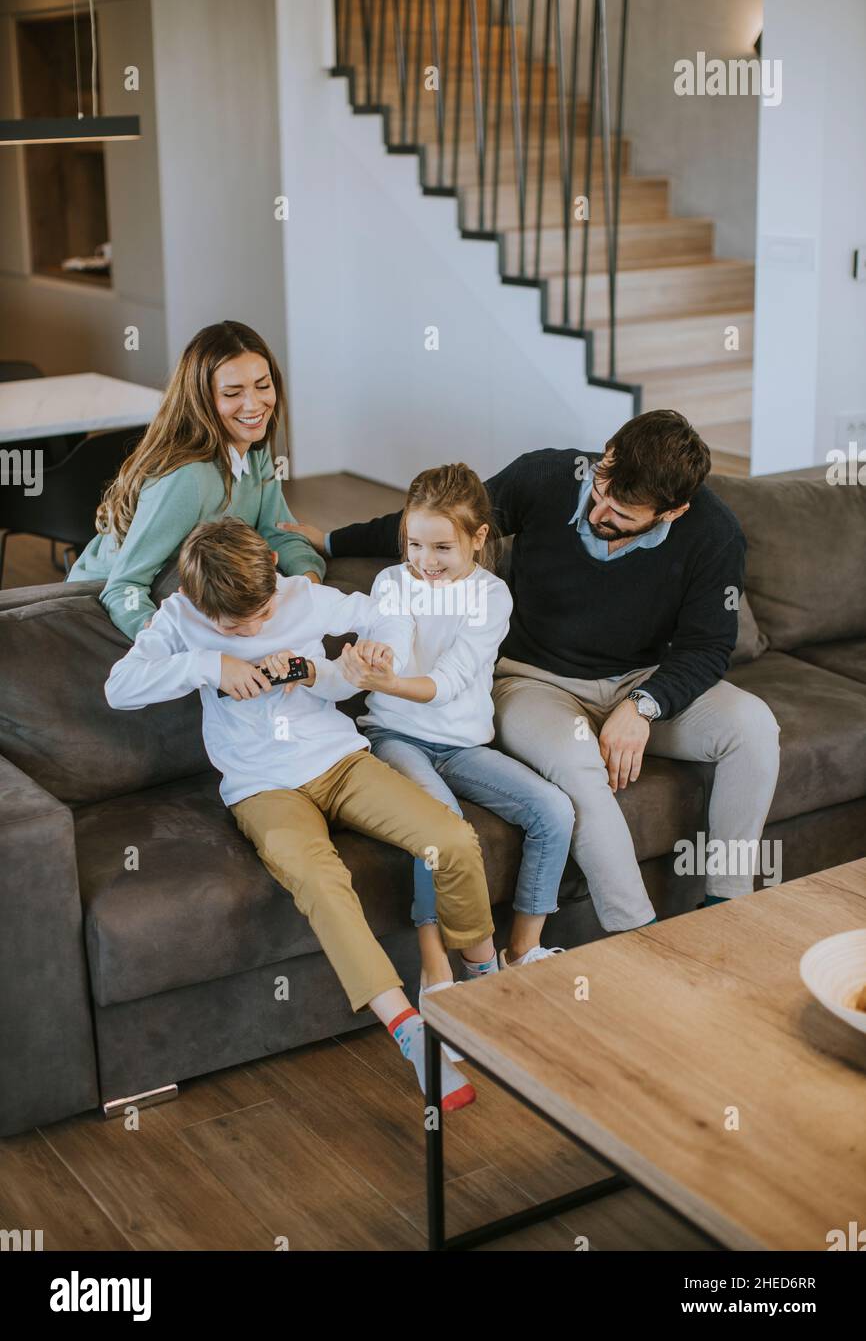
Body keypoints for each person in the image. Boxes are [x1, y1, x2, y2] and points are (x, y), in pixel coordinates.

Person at [281, 410, 781, 931]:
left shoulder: (714, 534)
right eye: (602, 485)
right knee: (577, 765)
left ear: (673, 512)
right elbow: (446, 521)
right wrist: (333, 541)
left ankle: (727, 907)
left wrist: (643, 706)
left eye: (621, 512)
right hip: (535, 682)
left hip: (643, 682)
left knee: (754, 728)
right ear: (606, 454)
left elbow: (707, 647)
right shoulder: (547, 477)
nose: (598, 509)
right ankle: (634, 932)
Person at [104, 516, 499, 1112]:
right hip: (263, 786)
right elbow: (120, 687)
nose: (259, 626)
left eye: (264, 612)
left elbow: (382, 612)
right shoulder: (180, 619)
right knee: (320, 880)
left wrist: (375, 649)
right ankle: (412, 1034)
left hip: (339, 758)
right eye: (241, 625)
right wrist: (210, 667)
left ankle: (484, 980)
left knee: (452, 839)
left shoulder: (300, 596)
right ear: (195, 602)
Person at [337, 461, 575, 1051]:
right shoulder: (393, 582)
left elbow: (450, 680)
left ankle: (522, 949)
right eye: (414, 544)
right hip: (395, 736)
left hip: (464, 743)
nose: (425, 559)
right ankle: (435, 966)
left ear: (478, 538)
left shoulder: (491, 597)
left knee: (554, 810)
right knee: (441, 828)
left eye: (442, 546)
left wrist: (386, 680)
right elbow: (389, 636)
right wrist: (377, 663)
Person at [69, 320, 325, 639]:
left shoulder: (253, 449)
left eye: (263, 386)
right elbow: (125, 587)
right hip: (98, 603)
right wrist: (172, 649)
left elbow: (280, 532)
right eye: (233, 393)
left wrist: (311, 589)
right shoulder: (186, 479)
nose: (255, 404)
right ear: (203, 400)